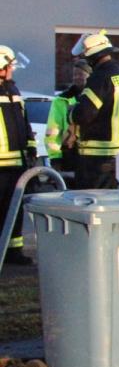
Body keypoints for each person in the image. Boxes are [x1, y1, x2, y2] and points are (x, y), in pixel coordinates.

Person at [70, 31, 119, 189]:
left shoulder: (99, 78)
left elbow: (83, 114)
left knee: (93, 202)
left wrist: (71, 112)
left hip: (98, 155)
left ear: (92, 57)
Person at [0, 46, 36, 266]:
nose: (12, 68)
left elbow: (24, 121)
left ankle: (14, 251)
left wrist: (31, 145)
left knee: (14, 208)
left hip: (17, 161)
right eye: (10, 65)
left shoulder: (13, 90)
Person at [46, 59, 90, 176]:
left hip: (91, 155)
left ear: (90, 76)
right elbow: (53, 132)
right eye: (74, 74)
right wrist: (55, 158)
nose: (76, 77)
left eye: (80, 74)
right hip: (69, 155)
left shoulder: (97, 97)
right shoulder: (61, 101)